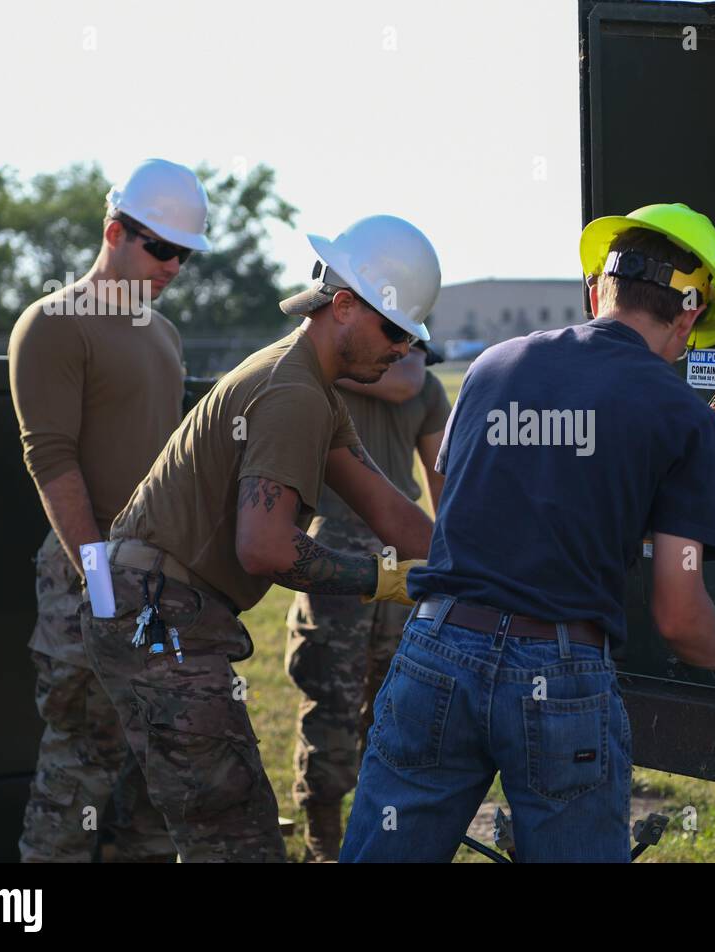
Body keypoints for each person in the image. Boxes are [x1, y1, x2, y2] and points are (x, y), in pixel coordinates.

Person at [341, 203, 715, 863]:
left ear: (594, 290)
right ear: (690, 316)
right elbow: (679, 613)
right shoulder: (683, 418)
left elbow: (476, 506)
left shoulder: (491, 368)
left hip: (437, 650)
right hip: (559, 675)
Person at [80, 214, 440, 862]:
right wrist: (384, 580)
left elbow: (388, 508)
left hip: (160, 612)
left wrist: (470, 570)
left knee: (171, 832)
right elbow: (267, 547)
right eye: (394, 331)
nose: (403, 352)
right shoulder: (294, 392)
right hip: (161, 618)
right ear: (345, 306)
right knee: (236, 839)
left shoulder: (312, 389)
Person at [9, 158, 211, 862]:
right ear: (115, 231)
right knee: (78, 775)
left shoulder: (164, 333)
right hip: (86, 582)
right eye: (161, 248)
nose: (174, 266)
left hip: (157, 590)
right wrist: (100, 586)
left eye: (185, 253)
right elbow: (52, 459)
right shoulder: (54, 324)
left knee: (156, 780)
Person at [285, 339, 451, 861]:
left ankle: (329, 849)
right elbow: (443, 484)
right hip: (396, 549)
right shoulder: (421, 383)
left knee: (342, 711)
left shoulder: (333, 369)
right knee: (383, 716)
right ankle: (357, 845)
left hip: (344, 550)